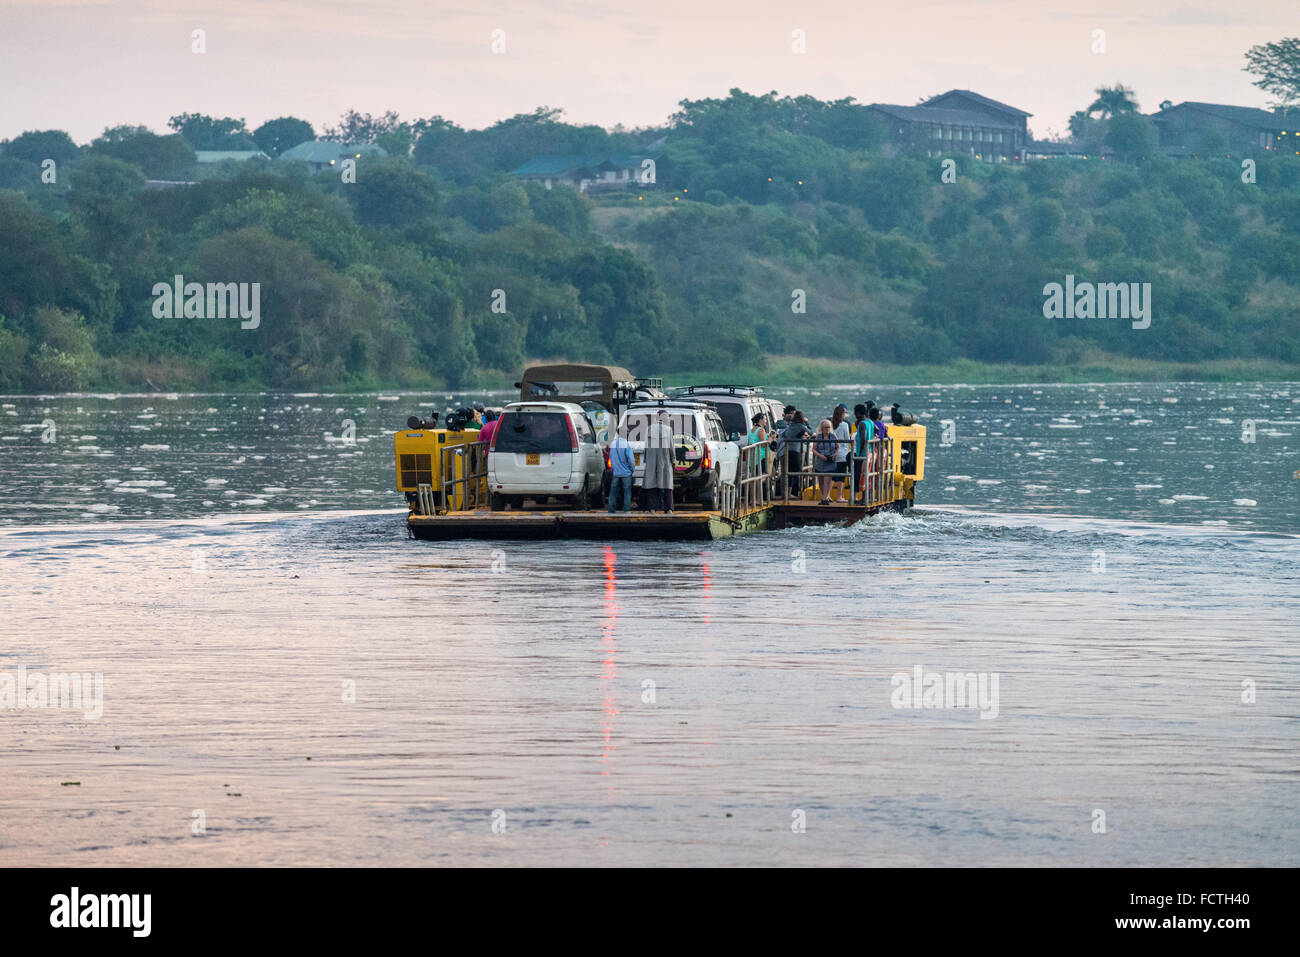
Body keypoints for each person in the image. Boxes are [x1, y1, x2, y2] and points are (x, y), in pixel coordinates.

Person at [643, 410, 675, 514]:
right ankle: (669, 508)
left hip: (651, 461)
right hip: (664, 461)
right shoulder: (668, 430)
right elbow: (671, 447)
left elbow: (646, 447)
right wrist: (673, 460)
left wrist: (646, 460)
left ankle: (652, 508)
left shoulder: (648, 429)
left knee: (652, 484)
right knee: (667, 485)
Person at [782, 410, 812, 498]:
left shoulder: (790, 425)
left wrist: (798, 435)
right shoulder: (801, 425)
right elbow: (810, 431)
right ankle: (793, 493)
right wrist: (807, 423)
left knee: (790, 471)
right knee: (797, 471)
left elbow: (785, 434)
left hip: (788, 450)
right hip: (796, 451)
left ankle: (788, 493)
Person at [607, 424, 635, 513]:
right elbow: (631, 460)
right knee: (627, 492)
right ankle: (626, 510)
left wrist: (614, 468)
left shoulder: (613, 444)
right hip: (626, 473)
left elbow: (610, 458)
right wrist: (632, 469)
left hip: (616, 473)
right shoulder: (626, 445)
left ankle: (611, 509)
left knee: (613, 492)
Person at [812, 419, 839, 505]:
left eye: (829, 427)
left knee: (827, 481)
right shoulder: (818, 437)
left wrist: (835, 454)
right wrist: (821, 456)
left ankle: (824, 499)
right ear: (822, 428)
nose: (827, 429)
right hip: (820, 461)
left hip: (830, 461)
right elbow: (814, 449)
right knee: (821, 482)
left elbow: (837, 447)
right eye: (825, 427)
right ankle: (825, 497)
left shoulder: (833, 436)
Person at [830, 404, 852, 503]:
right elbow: (847, 439)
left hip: (832, 453)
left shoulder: (831, 424)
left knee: (833, 476)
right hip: (843, 453)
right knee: (841, 476)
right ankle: (840, 497)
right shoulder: (844, 425)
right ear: (842, 414)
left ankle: (827, 495)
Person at [853, 403, 871, 504]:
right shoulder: (870, 422)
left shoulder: (862, 424)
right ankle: (866, 498)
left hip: (863, 453)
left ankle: (863, 500)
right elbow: (876, 431)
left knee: (861, 476)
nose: (855, 415)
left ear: (859, 413)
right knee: (866, 475)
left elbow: (863, 438)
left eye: (855, 413)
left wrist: (859, 452)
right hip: (869, 452)